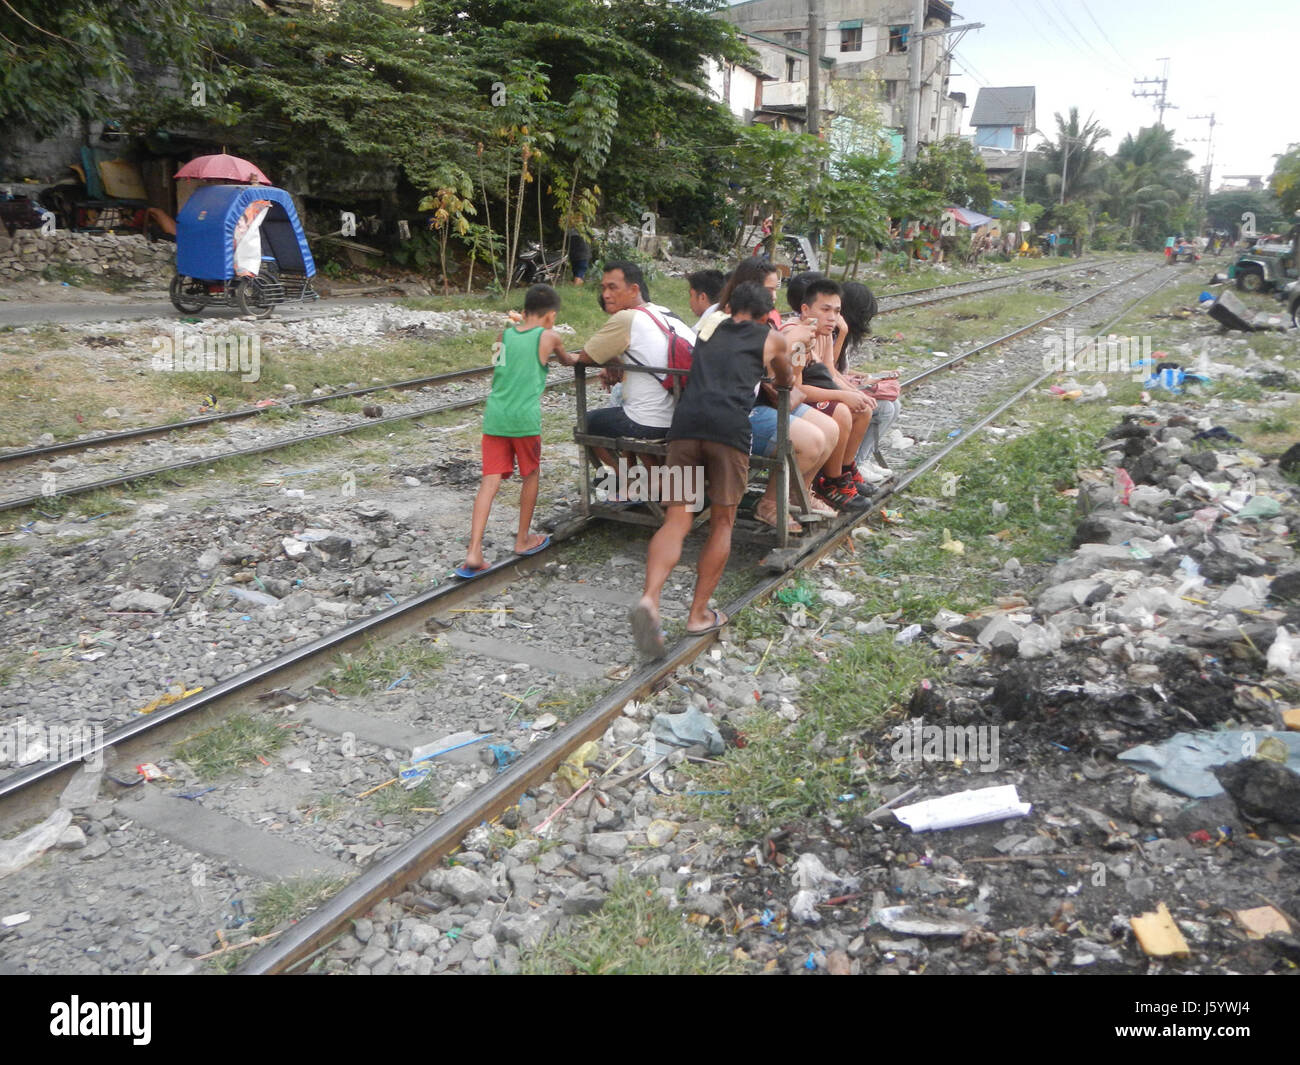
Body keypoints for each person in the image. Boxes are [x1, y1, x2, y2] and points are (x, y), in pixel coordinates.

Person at [629, 281, 793, 657]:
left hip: (685, 428)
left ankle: (650, 599)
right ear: (767, 313)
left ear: (729, 306)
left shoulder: (708, 327)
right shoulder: (771, 338)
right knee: (722, 521)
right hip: (728, 432)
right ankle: (698, 614)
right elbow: (785, 380)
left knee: (677, 519)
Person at [457, 284, 575, 578]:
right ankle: (523, 539)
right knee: (531, 474)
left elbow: (497, 364)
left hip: (495, 417)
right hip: (524, 421)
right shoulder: (549, 336)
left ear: (524, 312)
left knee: (490, 481)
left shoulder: (503, 335)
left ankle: (473, 550)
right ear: (551, 316)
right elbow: (569, 361)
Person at [576, 261, 696, 481]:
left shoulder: (626, 318)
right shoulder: (666, 313)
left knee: (587, 422)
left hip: (651, 423)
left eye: (613, 288)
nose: (606, 295)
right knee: (630, 407)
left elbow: (585, 357)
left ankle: (629, 482)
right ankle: (654, 481)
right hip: (683, 419)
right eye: (603, 288)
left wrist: (609, 359)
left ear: (634, 290)